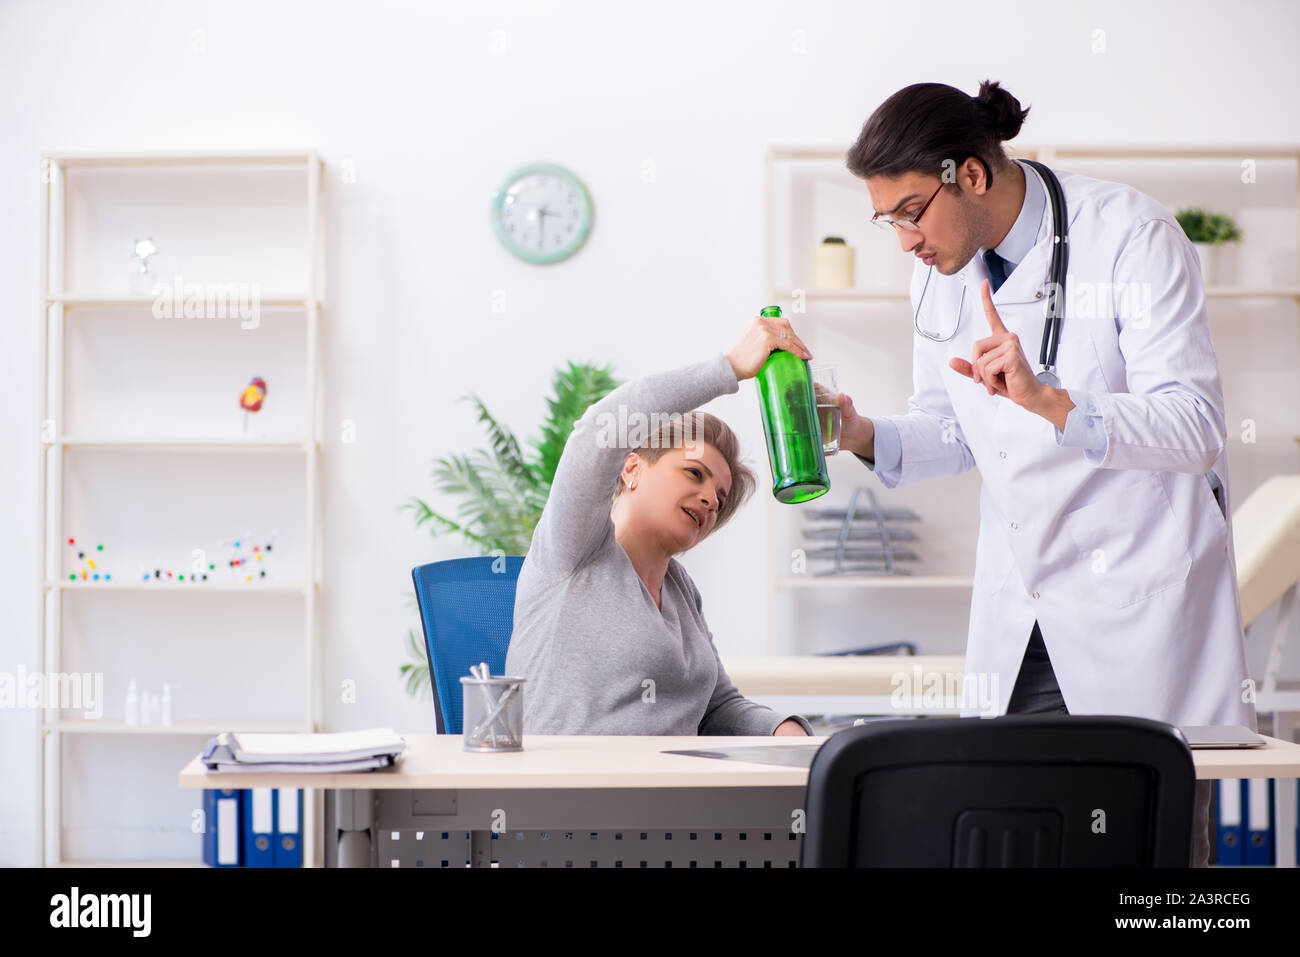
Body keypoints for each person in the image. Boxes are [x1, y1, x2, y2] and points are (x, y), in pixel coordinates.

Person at [834, 79, 1257, 866]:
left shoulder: (1131, 235)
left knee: (1148, 865)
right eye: (886, 219)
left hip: (1138, 613)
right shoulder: (940, 268)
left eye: (910, 211)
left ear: (971, 174)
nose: (904, 241)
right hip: (1022, 618)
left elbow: (1193, 424)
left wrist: (1055, 403)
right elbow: (953, 430)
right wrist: (861, 432)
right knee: (1013, 844)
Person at [506, 316, 816, 736]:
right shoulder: (576, 550)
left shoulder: (680, 590)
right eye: (694, 474)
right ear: (632, 468)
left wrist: (788, 733)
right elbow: (599, 430)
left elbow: (717, 709)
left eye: (720, 497)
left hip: (671, 792)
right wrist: (728, 368)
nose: (710, 499)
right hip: (572, 792)